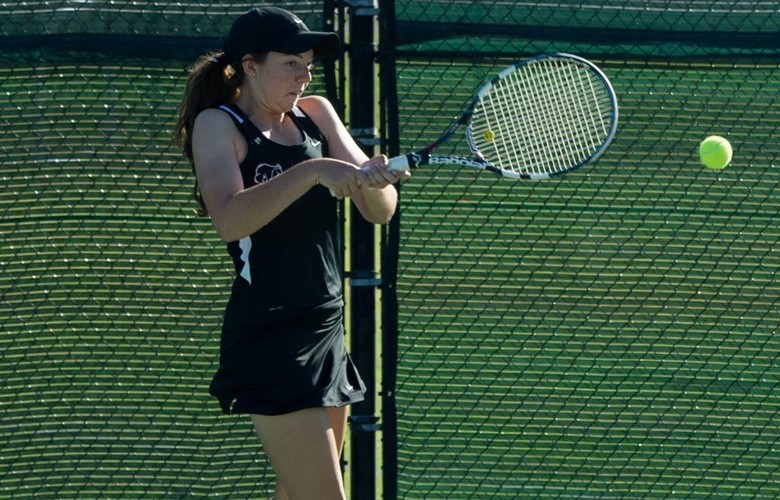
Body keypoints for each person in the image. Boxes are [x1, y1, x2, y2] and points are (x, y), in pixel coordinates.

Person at [174, 6, 409, 499]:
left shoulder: (318, 112)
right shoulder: (218, 125)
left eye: (307, 64)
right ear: (249, 66)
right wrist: (312, 171)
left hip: (325, 324)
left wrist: (375, 181)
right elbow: (230, 219)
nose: (304, 76)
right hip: (270, 334)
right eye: (291, 63)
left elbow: (380, 211)